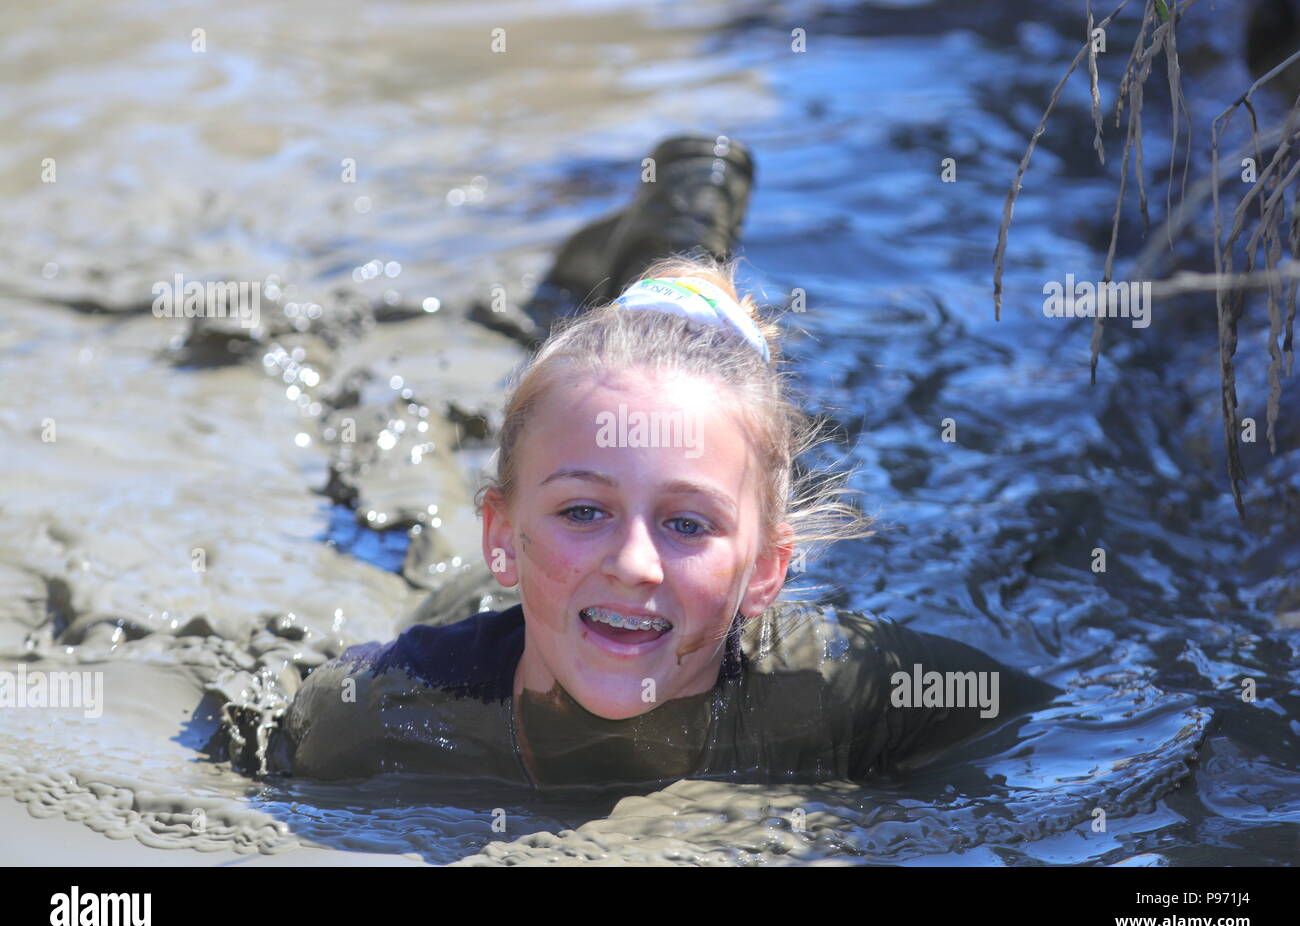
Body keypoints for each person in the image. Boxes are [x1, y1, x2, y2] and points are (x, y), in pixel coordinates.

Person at [266, 248, 1059, 791]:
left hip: (559, 584)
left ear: (768, 571)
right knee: (402, 518)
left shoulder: (846, 688)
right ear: (502, 535)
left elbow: (1072, 729)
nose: (635, 562)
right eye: (586, 508)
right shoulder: (381, 712)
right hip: (477, 597)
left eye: (687, 525)